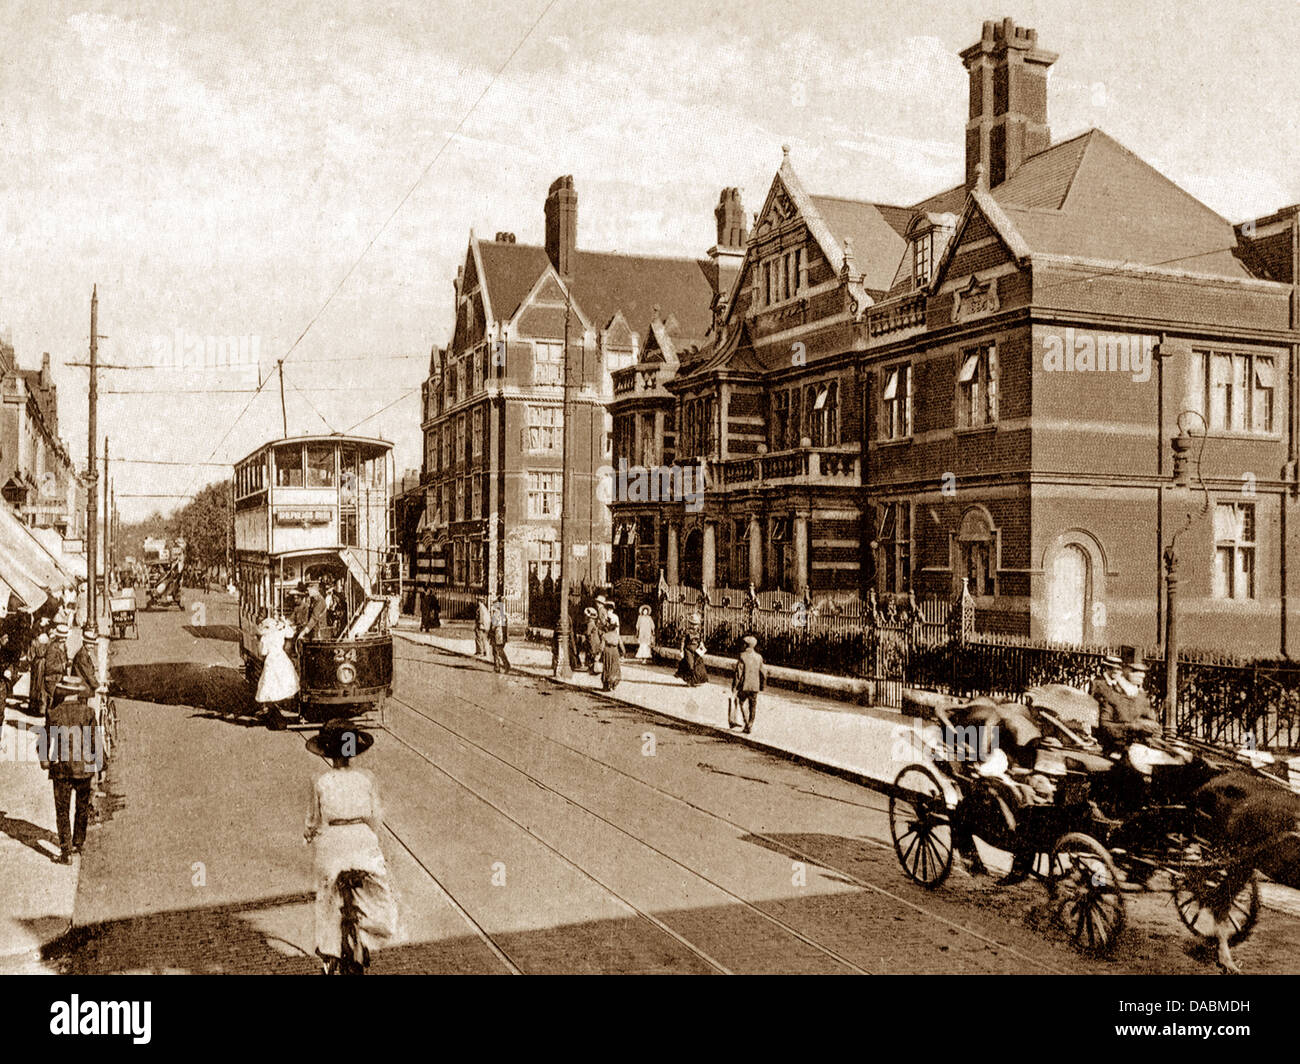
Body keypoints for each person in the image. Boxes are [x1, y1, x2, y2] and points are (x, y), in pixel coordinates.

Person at [304, 720, 399, 973]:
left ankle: (329, 953)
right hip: (362, 840)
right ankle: (365, 937)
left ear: (328, 751)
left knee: (326, 896)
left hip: (332, 844)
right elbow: (376, 817)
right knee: (379, 891)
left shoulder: (319, 780)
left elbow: (314, 820)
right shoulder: (367, 777)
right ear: (353, 750)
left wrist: (309, 832)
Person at [40, 679, 98, 863]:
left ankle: (65, 853)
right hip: (84, 769)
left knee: (62, 811)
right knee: (81, 809)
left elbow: (45, 739)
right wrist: (99, 765)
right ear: (78, 692)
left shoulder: (54, 713)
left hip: (62, 769)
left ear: (62, 693)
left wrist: (45, 760)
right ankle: (77, 844)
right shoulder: (88, 712)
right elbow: (95, 741)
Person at [256, 617, 299, 730]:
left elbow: (262, 652)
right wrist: (284, 623)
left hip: (271, 660)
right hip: (282, 657)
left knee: (269, 683)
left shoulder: (265, 638)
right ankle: (283, 705)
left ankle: (271, 709)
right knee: (284, 681)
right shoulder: (280, 632)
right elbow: (290, 634)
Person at [731, 635, 765, 733]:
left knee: (741, 702)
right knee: (753, 705)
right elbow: (763, 673)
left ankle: (746, 723)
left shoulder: (742, 656)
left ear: (746, 645)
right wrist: (761, 686)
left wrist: (734, 686)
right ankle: (750, 723)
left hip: (744, 686)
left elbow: (738, 673)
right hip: (755, 686)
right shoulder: (759, 657)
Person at [675, 610, 708, 687]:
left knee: (697, 665)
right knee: (690, 665)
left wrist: (702, 645)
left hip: (696, 650)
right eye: (692, 624)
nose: (694, 626)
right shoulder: (687, 631)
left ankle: (694, 681)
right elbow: (683, 641)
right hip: (688, 649)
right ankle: (689, 681)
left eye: (695, 624)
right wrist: (681, 650)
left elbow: (700, 640)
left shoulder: (699, 632)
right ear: (690, 624)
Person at [296, 582, 329, 649]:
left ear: (314, 590)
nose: (307, 593)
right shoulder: (314, 600)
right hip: (314, 631)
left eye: (308, 591)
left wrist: (305, 631)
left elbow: (314, 618)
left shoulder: (320, 601)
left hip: (318, 633)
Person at [600, 608, 625, 691]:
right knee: (615, 667)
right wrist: (623, 653)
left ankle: (606, 684)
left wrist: (599, 654)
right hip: (615, 651)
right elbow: (621, 646)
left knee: (607, 667)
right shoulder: (617, 636)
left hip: (607, 651)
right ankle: (614, 683)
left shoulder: (604, 635)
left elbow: (602, 647)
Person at [28, 630, 48, 717]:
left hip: (36, 665)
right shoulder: (49, 640)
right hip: (45, 664)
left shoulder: (34, 642)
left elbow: (30, 657)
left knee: (34, 685)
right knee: (42, 686)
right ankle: (42, 708)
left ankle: (33, 706)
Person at [489, 598, 511, 674]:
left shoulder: (496, 614)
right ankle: (505, 665)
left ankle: (499, 667)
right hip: (502, 636)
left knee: (496, 651)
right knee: (500, 651)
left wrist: (490, 633)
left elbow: (493, 627)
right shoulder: (503, 614)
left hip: (496, 635)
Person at [584, 607, 601, 674]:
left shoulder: (590, 624)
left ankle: (592, 669)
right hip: (596, 640)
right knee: (593, 654)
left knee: (591, 653)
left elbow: (588, 633)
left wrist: (585, 633)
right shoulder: (594, 623)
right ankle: (593, 668)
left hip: (592, 641)